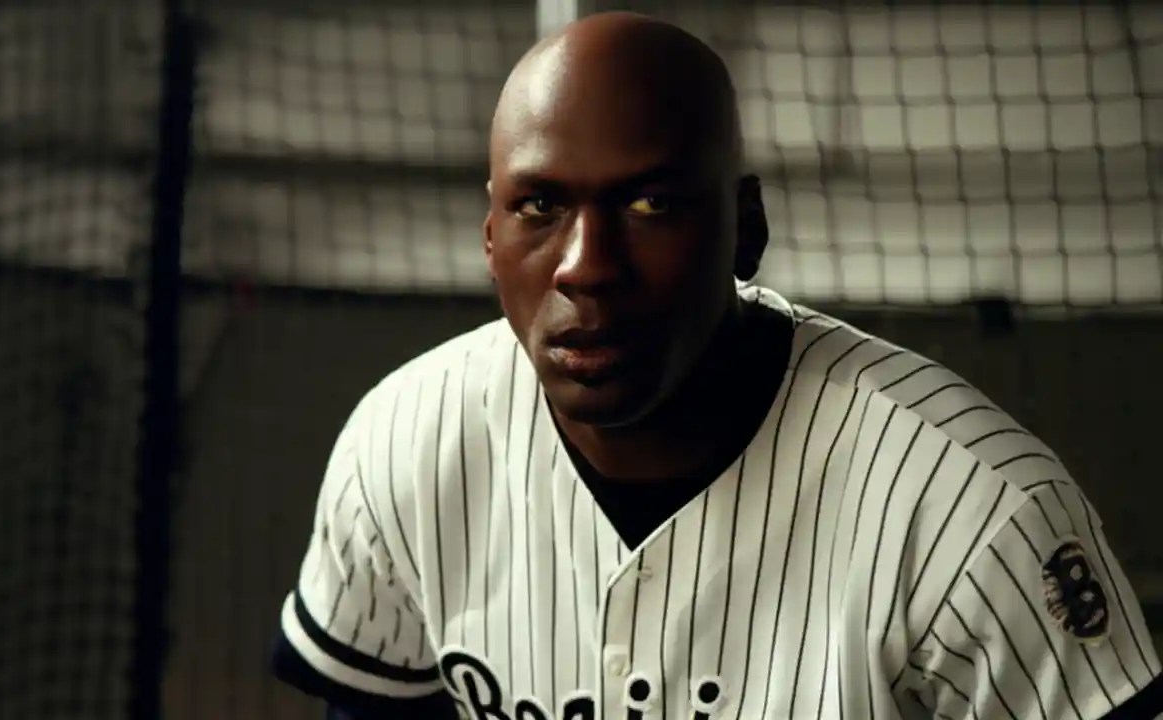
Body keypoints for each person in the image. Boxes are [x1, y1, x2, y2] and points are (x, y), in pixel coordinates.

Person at [271, 12, 1162, 719]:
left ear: (747, 229)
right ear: (490, 237)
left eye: (650, 201)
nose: (586, 264)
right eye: (540, 205)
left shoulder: (971, 505)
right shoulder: (403, 440)